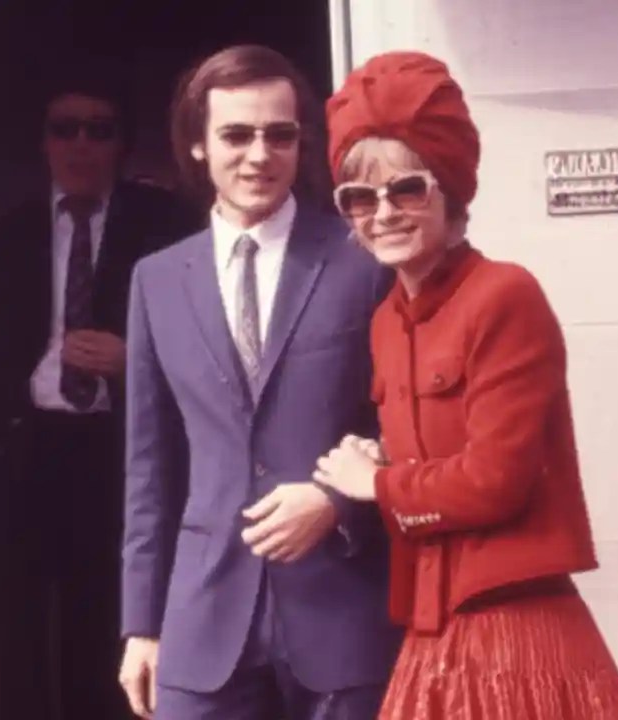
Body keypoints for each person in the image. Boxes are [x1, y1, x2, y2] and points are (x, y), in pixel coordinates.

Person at [313, 50, 618, 719]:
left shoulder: (504, 295)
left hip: (516, 625)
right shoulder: (385, 322)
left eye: (406, 189)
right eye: (358, 198)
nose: (383, 213)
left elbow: (497, 480)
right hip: (432, 632)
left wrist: (374, 484)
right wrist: (387, 464)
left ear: (451, 192)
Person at [118, 44, 402, 720]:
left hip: (341, 606)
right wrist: (143, 624)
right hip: (205, 611)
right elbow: (148, 470)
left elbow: (408, 420)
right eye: (236, 135)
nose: (259, 154)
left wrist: (338, 498)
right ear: (196, 145)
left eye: (280, 134)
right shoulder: (157, 280)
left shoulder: (360, 259)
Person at [0, 58, 200, 720]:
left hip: (119, 445)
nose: (79, 145)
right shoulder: (9, 233)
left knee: (110, 613)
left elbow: (212, 339)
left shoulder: (164, 223)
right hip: (27, 448)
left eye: (98, 130)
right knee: (16, 616)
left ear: (122, 145)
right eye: (64, 129)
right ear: (43, 141)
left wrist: (138, 360)